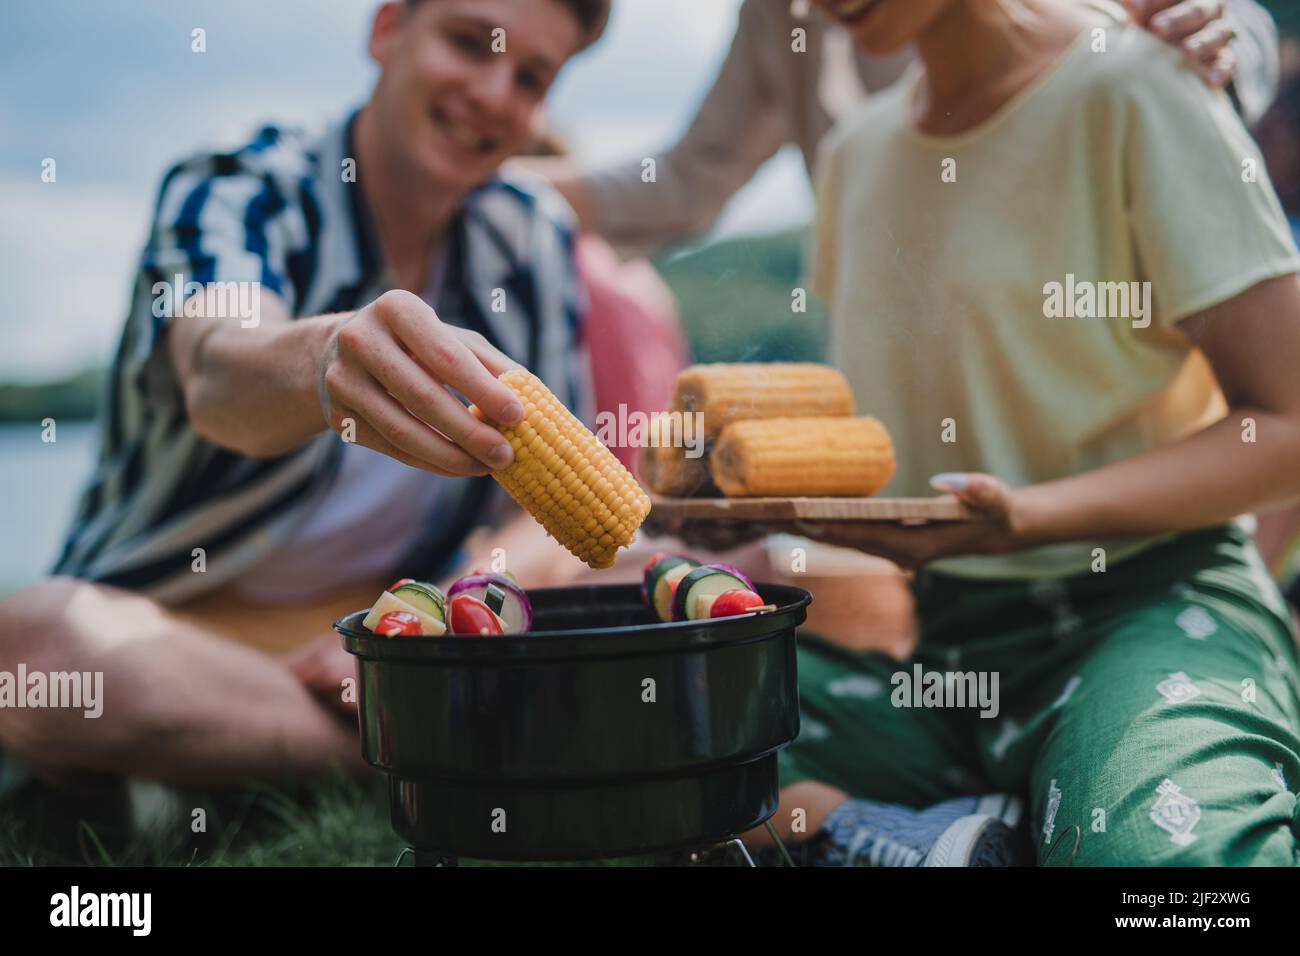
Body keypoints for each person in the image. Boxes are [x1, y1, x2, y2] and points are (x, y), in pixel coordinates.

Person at [0, 0, 612, 799]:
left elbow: (542, 517)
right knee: (40, 652)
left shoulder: (533, 235)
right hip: (179, 626)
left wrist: (434, 613)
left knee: (664, 564)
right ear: (388, 29)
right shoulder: (237, 185)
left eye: (531, 77)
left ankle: (304, 748)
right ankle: (397, 751)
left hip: (391, 628)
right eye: (468, 43)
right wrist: (323, 358)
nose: (495, 94)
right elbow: (218, 368)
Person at [738, 0, 1300, 866]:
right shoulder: (856, 156)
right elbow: (896, 441)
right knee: (645, 734)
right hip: (945, 656)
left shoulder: (1139, 85)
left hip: (1150, 607)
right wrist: (733, 497)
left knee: (1169, 874)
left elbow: (1287, 423)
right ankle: (935, 840)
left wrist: (1026, 515)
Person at [533, 0, 1279, 257]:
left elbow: (1229, 29)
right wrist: (516, 191)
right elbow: (694, 176)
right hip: (901, 368)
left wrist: (1222, 41)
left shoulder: (1114, 69)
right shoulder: (779, 20)